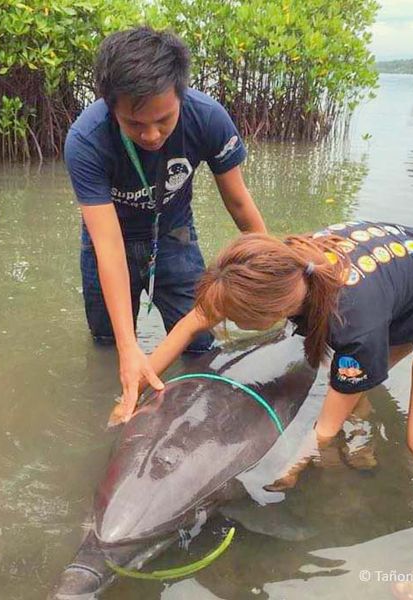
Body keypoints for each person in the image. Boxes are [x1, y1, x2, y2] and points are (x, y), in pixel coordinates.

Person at [119, 220, 413, 599]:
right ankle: (362, 428)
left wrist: (294, 463)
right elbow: (193, 321)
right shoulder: (271, 268)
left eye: (237, 320)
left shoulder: (352, 320)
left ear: (273, 313)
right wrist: (135, 388)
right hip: (397, 296)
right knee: (350, 379)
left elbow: (322, 433)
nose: (227, 323)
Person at [64, 26, 267, 409]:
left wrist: (273, 264)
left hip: (174, 236)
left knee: (200, 344)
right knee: (108, 344)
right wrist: (129, 350)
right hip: (111, 244)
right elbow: (107, 244)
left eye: (164, 119)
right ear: (111, 107)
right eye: (135, 124)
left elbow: (239, 204)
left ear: (181, 95)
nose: (153, 135)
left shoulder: (208, 118)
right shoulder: (86, 140)